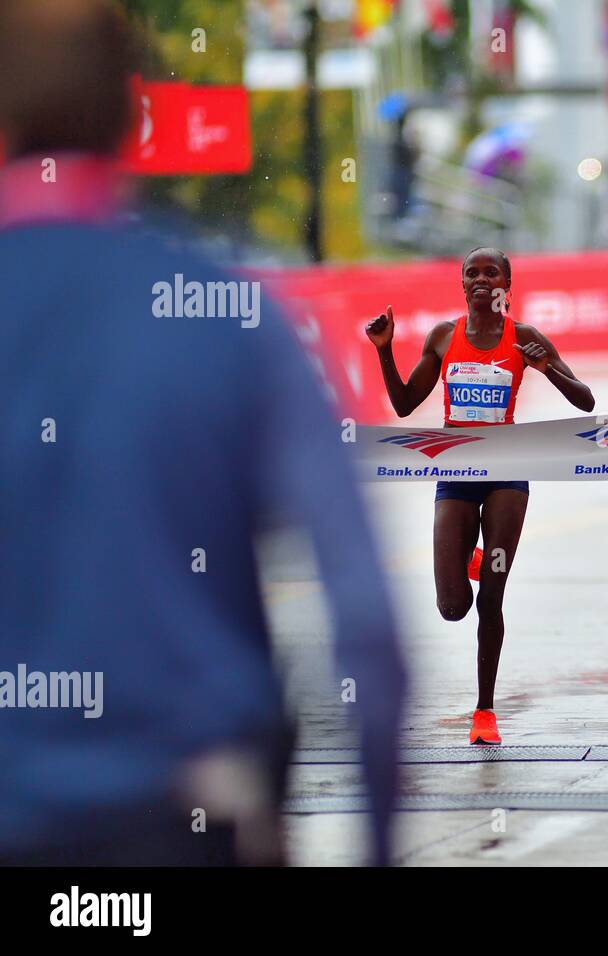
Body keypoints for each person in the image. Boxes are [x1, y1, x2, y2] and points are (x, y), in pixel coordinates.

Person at [0, 0, 406, 865]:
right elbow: (365, 619)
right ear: (131, 117)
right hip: (185, 814)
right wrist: (374, 842)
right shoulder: (232, 315)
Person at [365, 248, 594, 744]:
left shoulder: (525, 337)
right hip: (455, 469)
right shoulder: (444, 337)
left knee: (491, 596)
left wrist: (547, 369)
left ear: (507, 284)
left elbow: (586, 399)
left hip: (508, 473)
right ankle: (470, 555)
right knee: (452, 606)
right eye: (473, 272)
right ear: (462, 284)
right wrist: (384, 349)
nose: (481, 279)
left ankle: (484, 712)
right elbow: (404, 405)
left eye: (492, 272)